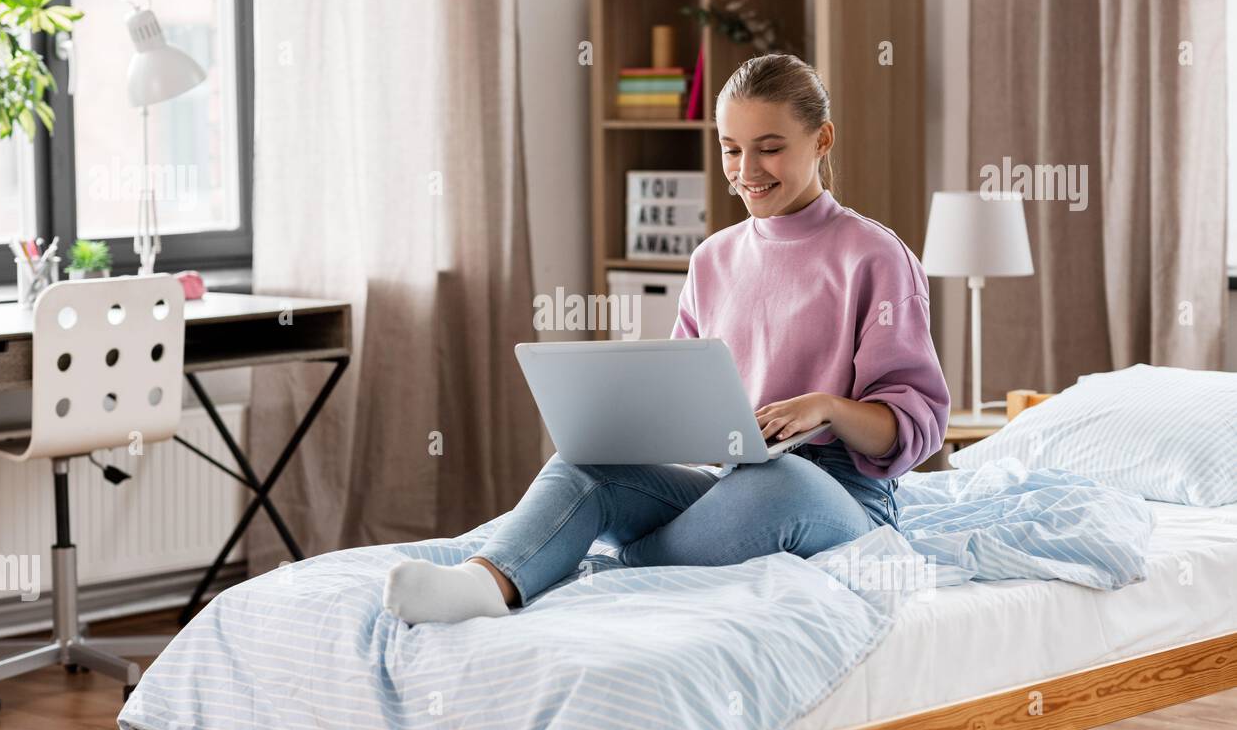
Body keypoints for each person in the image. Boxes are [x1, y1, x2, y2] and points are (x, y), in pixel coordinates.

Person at [383, 53, 950, 625]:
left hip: (843, 500)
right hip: (733, 485)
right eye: (732, 149)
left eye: (770, 147)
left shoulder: (875, 256)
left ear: (822, 139)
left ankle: (632, 560)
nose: (747, 169)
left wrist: (825, 408)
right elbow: (683, 401)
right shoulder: (713, 259)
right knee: (581, 465)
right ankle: (488, 582)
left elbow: (916, 429)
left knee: (782, 480)